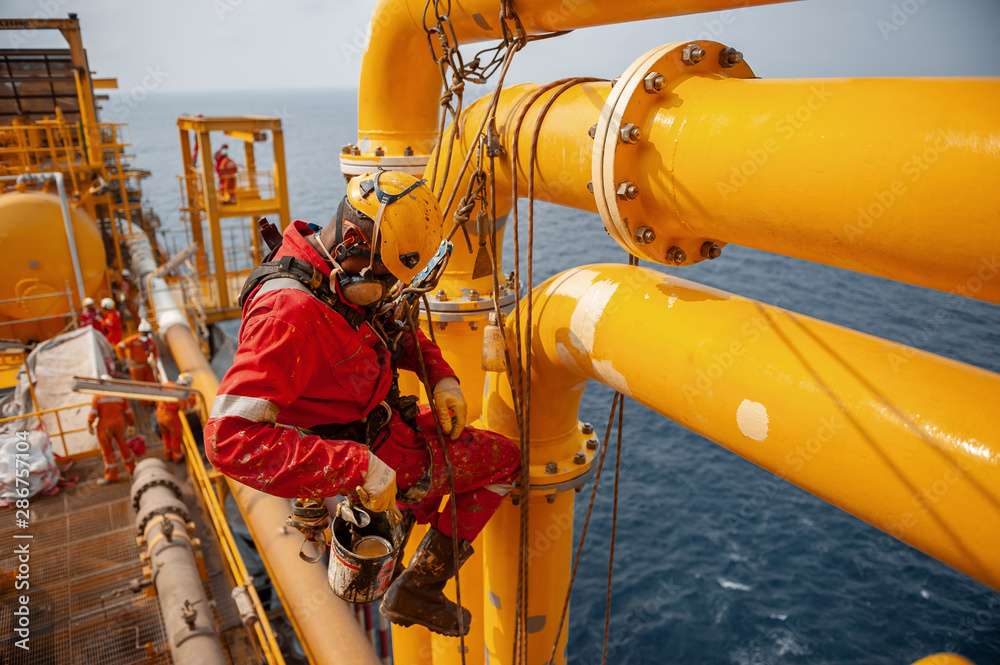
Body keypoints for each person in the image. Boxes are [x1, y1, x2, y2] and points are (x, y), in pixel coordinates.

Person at [205, 171, 520, 637]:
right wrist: (357, 468)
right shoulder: (288, 317)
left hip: (384, 428)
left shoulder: (330, 264)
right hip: (371, 452)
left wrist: (440, 375)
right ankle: (420, 589)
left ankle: (408, 514)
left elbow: (386, 322)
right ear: (354, 237)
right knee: (507, 460)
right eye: (384, 275)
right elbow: (228, 441)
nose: (385, 286)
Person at [87, 375, 136, 484]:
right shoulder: (119, 394)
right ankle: (132, 469)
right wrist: (131, 425)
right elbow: (128, 412)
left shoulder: (98, 396)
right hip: (119, 425)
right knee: (124, 447)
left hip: (105, 427)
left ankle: (111, 476)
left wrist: (89, 424)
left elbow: (93, 412)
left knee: (107, 451)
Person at [157, 373, 196, 463]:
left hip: (160, 413)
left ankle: (168, 453)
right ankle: (177, 458)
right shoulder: (181, 394)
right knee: (175, 438)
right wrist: (192, 395)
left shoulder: (166, 385)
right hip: (171, 418)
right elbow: (187, 407)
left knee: (165, 436)